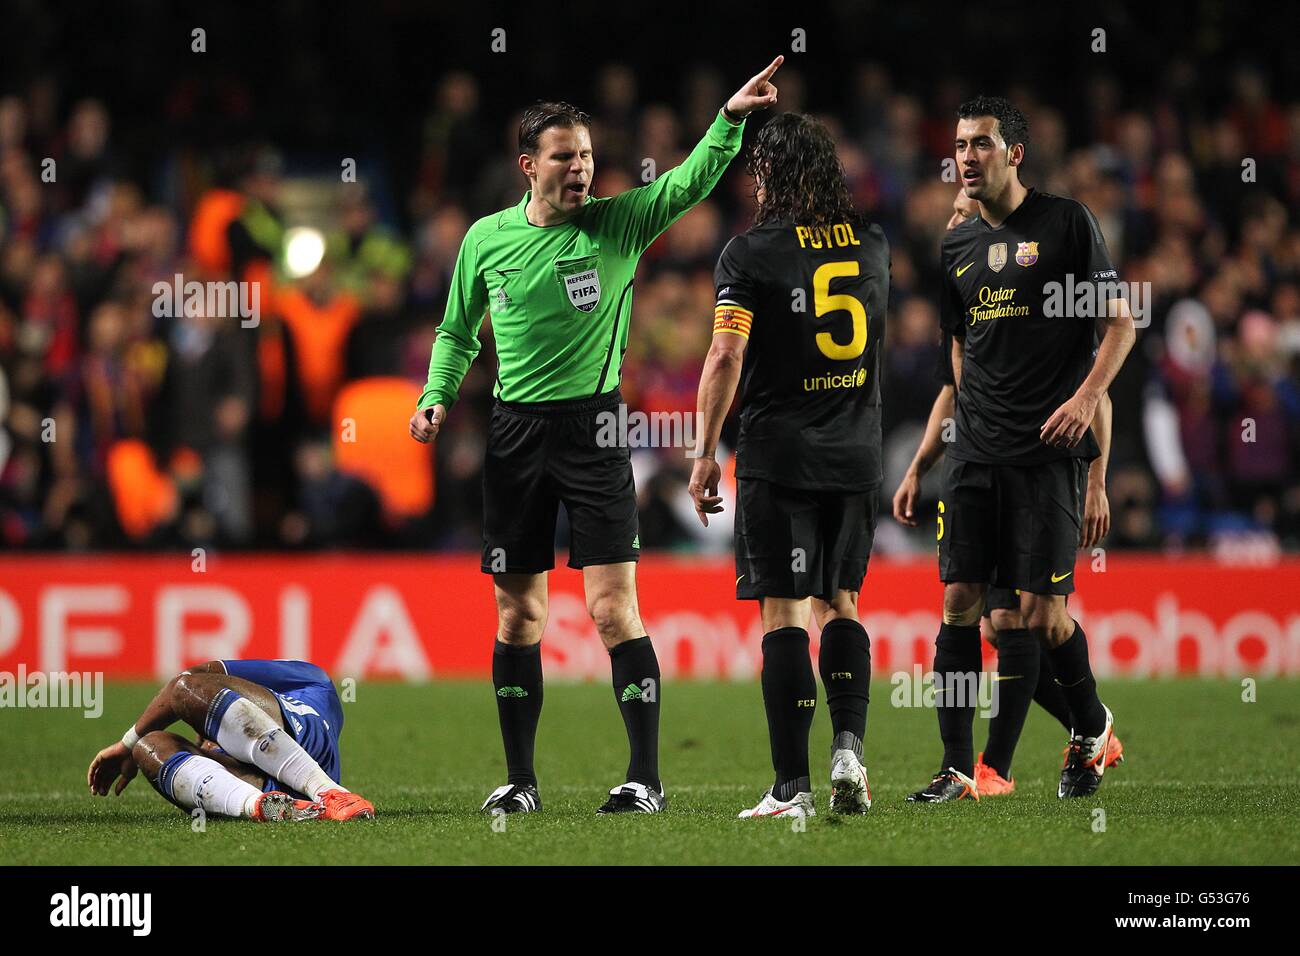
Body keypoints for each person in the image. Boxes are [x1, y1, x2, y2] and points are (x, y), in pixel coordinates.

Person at [408, 57, 785, 815]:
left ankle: (645, 777)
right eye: (563, 156)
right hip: (514, 434)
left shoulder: (618, 221)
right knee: (519, 615)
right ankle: (520, 781)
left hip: (596, 428)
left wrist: (729, 121)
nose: (580, 168)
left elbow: (685, 185)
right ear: (528, 166)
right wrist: (435, 398)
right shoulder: (485, 240)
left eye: (585, 155)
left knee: (613, 609)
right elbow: (456, 330)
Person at [909, 96, 1135, 803]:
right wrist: (960, 422)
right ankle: (958, 769)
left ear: (1015, 153)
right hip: (976, 451)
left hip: (1045, 454)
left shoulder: (1066, 224)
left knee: (1040, 617)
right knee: (960, 604)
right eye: (959, 144)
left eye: (981, 143)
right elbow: (958, 341)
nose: (966, 155)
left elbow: (1120, 326)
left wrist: (1084, 400)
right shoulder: (955, 244)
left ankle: (1092, 727)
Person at [688, 112, 888, 820]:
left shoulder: (750, 253)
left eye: (759, 169)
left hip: (780, 452)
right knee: (843, 602)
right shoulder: (873, 244)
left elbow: (724, 354)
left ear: (772, 172)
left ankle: (790, 787)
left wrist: (706, 450)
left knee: (783, 614)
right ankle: (849, 749)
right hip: (857, 451)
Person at [87, 659, 374, 821]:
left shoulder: (312, 681)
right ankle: (262, 807)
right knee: (148, 746)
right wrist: (135, 746)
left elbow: (186, 681)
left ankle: (327, 790)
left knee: (185, 690)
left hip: (301, 742)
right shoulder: (314, 687)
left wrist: (125, 743)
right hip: (271, 787)